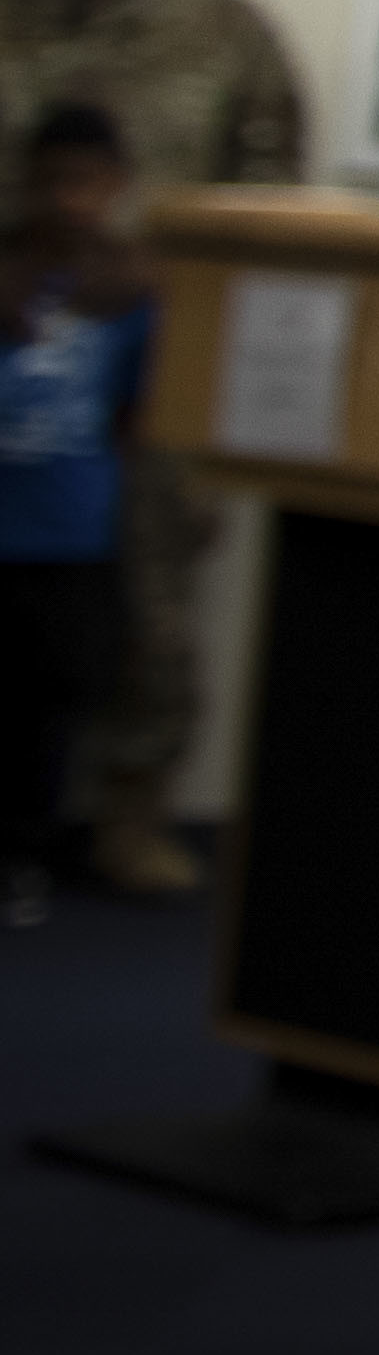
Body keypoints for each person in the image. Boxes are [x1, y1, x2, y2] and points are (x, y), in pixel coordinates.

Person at [0, 0, 310, 899]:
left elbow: (274, 198)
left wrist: (165, 270)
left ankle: (133, 811)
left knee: (156, 599)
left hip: (163, 363)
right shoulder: (10, 15)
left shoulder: (228, 33)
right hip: (16, 358)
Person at [0, 103, 160, 924]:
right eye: (52, 182)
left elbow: (140, 414)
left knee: (47, 700)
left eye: (88, 185)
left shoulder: (129, 287)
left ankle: (24, 853)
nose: (69, 202)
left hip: (70, 526)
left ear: (117, 188)